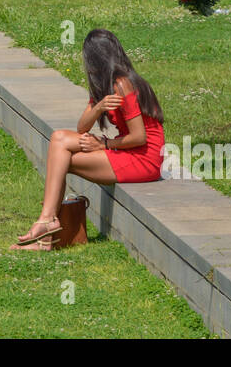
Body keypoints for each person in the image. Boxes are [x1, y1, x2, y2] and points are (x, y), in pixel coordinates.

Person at [14, 28, 166, 250]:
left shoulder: (123, 85)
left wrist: (104, 144)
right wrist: (99, 107)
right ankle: (47, 222)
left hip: (145, 159)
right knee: (59, 139)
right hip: (128, 151)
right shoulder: (105, 85)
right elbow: (82, 127)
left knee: (60, 161)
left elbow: (140, 137)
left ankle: (47, 229)